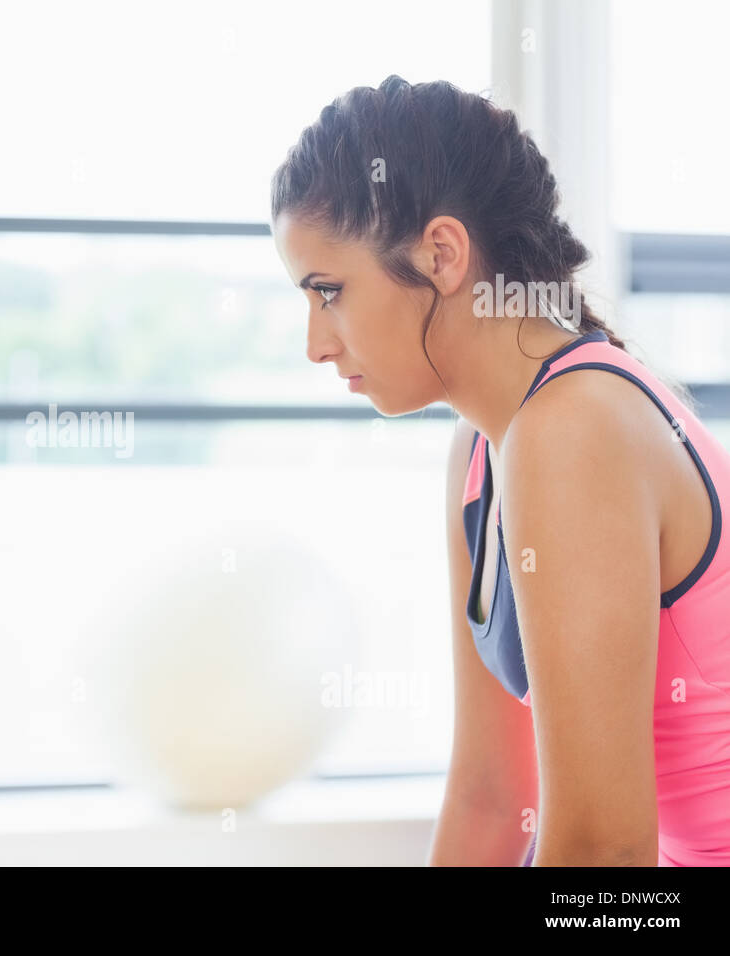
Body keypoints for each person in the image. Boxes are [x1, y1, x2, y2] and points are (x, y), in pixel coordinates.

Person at [271, 75, 730, 866]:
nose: (315, 342)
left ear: (441, 254)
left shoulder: (574, 429)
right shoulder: (483, 450)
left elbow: (603, 865)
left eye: (328, 292)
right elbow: (491, 798)